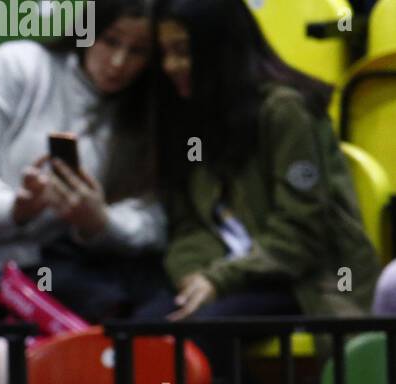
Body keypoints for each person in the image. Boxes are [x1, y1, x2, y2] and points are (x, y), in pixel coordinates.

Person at [135, 0, 380, 362]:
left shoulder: (284, 110)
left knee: (204, 334)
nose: (171, 66)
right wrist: (193, 276)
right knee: (139, 334)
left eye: (183, 52)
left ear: (219, 49)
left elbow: (300, 233)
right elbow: (186, 224)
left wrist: (219, 280)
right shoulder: (184, 115)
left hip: (301, 280)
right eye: (164, 54)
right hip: (222, 275)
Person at [0, 0, 167, 322]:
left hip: (64, 268)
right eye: (110, 40)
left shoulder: (147, 112)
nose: (118, 62)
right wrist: (18, 206)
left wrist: (101, 221)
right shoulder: (18, 65)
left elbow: (154, 223)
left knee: (149, 306)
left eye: (138, 51)